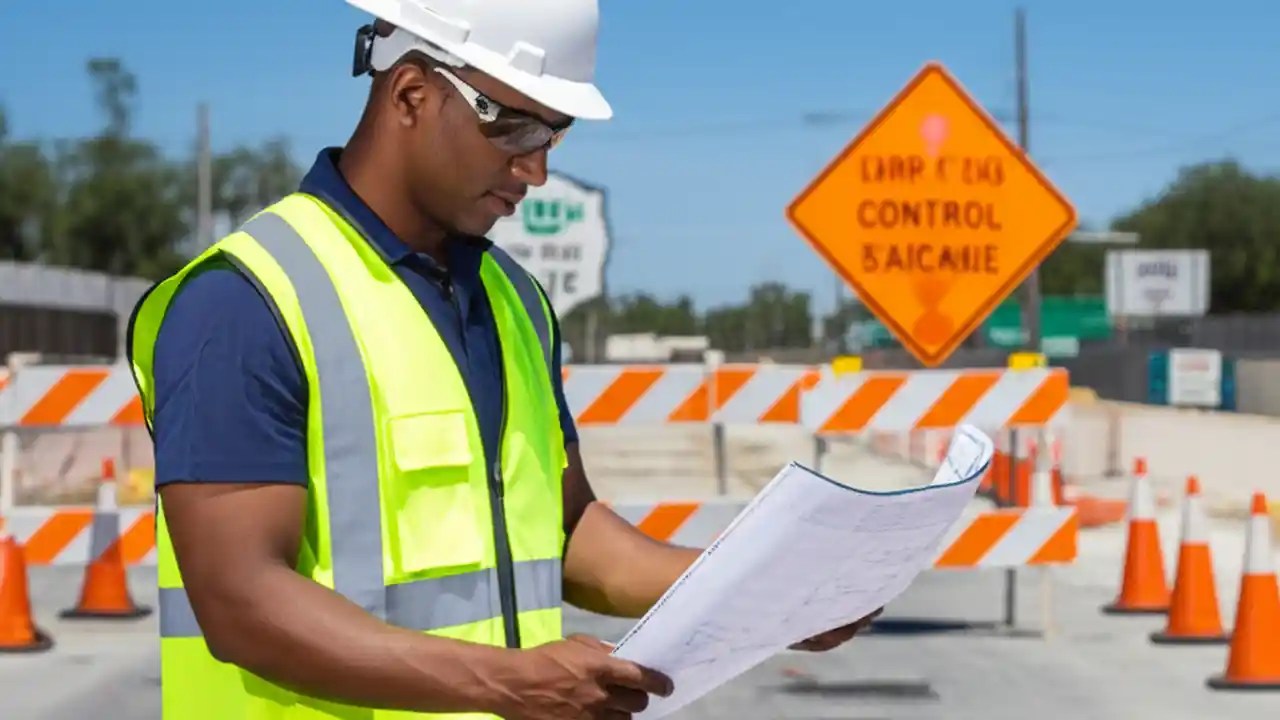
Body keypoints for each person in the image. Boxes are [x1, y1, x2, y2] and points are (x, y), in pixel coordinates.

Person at [127, 1, 879, 718]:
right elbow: (237, 599)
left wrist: (760, 595)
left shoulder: (512, 300)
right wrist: (503, 684)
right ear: (413, 93)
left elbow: (569, 532)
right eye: (514, 127)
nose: (536, 169)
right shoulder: (243, 302)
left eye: (553, 134)